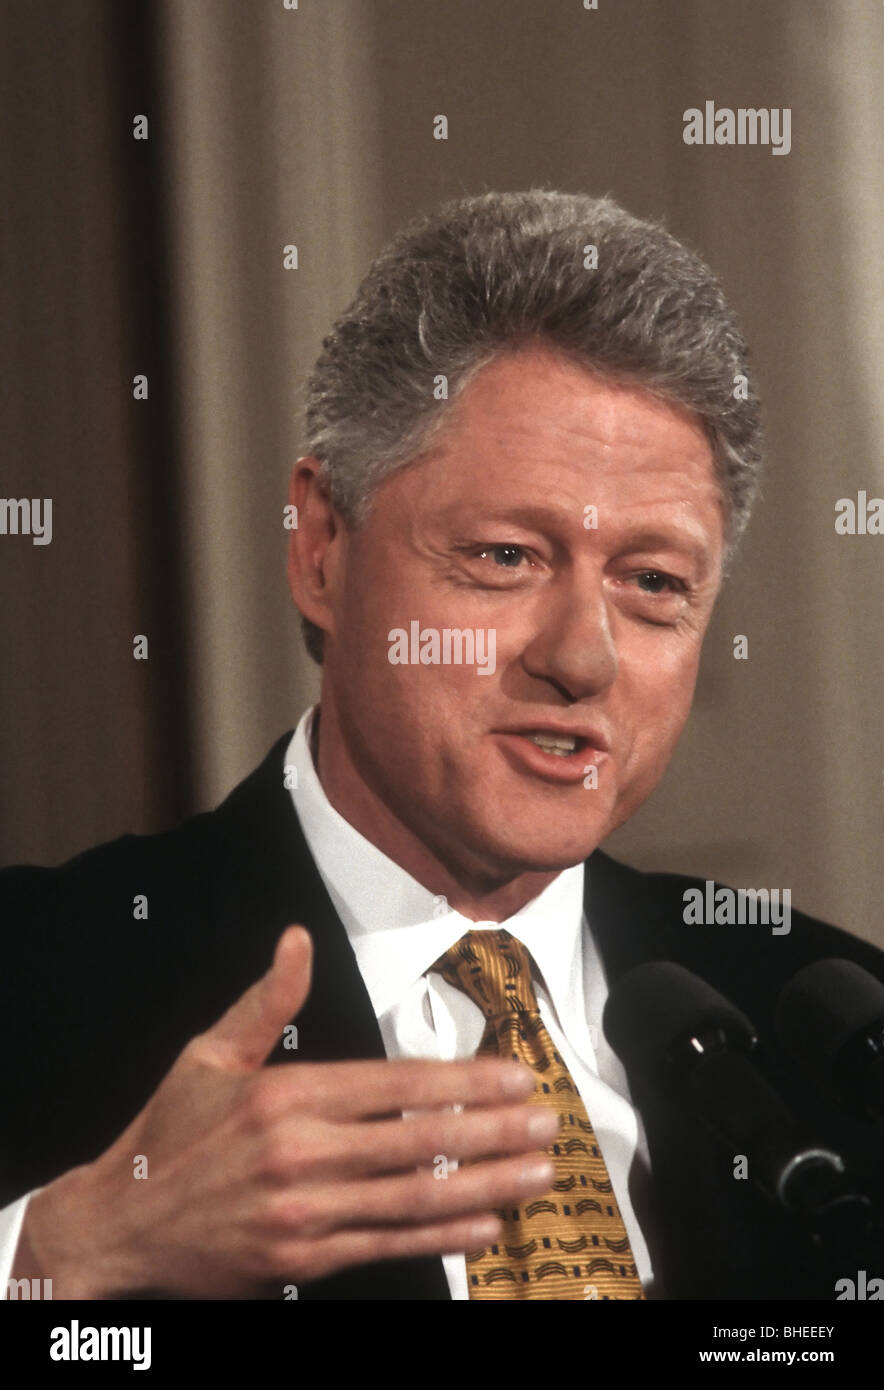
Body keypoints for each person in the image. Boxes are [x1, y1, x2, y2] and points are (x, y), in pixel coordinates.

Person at [2, 191, 881, 1301]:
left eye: (653, 583)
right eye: (506, 556)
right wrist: (56, 1259)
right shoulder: (38, 989)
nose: (584, 659)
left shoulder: (830, 1035)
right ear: (321, 549)